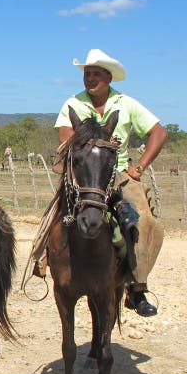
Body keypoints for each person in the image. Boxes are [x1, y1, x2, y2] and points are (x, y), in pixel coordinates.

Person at [55, 48, 168, 317]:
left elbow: (158, 132)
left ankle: (137, 287)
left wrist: (139, 168)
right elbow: (63, 137)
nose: (89, 78)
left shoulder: (126, 104)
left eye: (95, 74)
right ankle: (44, 259)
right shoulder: (73, 103)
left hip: (117, 174)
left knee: (145, 223)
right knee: (54, 216)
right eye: (87, 73)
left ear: (109, 77)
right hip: (83, 173)